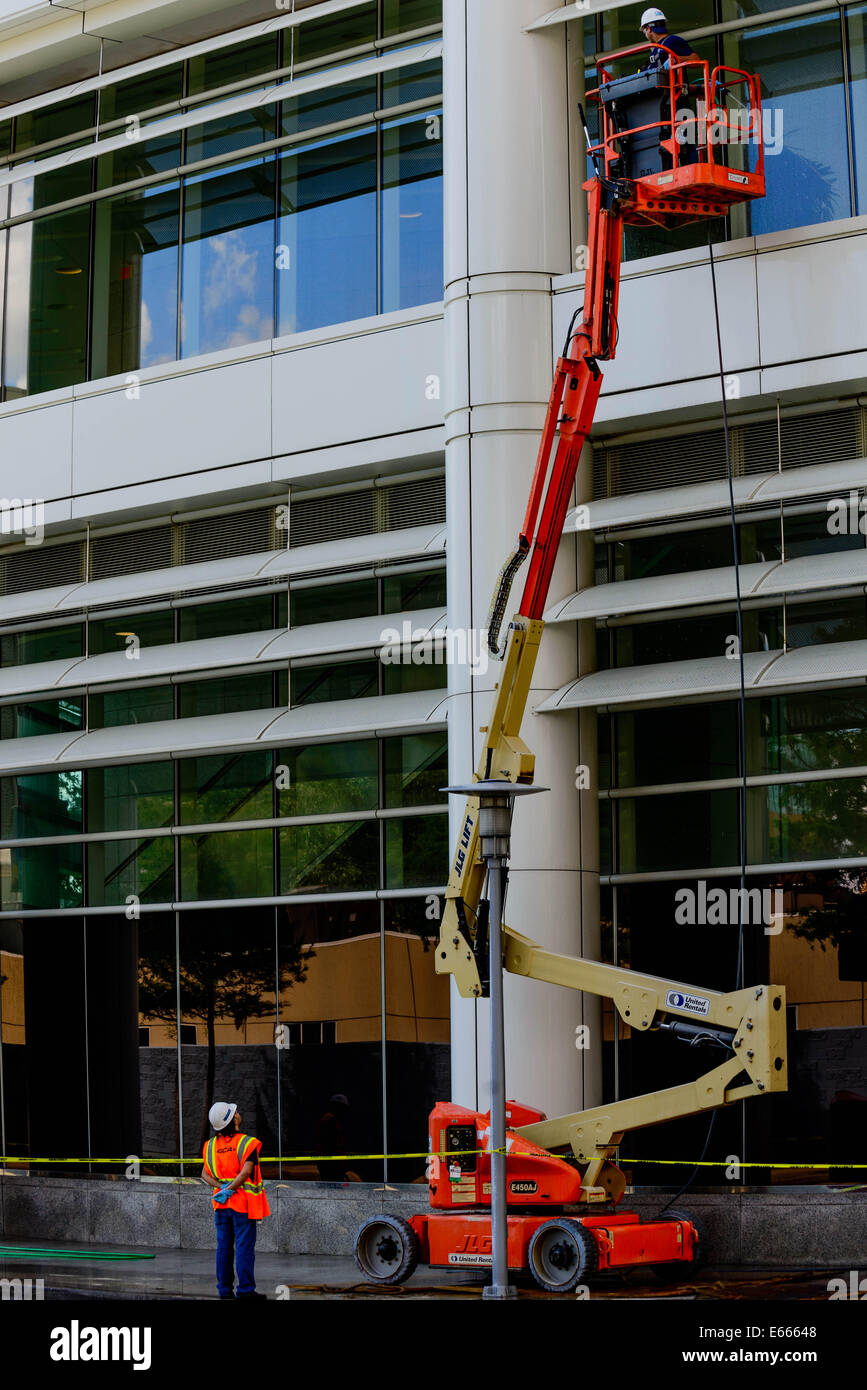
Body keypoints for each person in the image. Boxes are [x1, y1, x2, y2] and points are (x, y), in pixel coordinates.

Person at [202, 1100, 271, 1300]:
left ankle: (224, 1291)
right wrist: (230, 1189)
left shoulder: (210, 1146)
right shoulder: (247, 1143)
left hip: (221, 1204)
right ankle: (246, 1291)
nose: (238, 1113)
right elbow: (245, 1173)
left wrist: (221, 1188)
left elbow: (204, 1174)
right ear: (233, 1120)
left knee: (223, 1247)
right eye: (235, 1112)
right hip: (242, 1205)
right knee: (243, 1247)